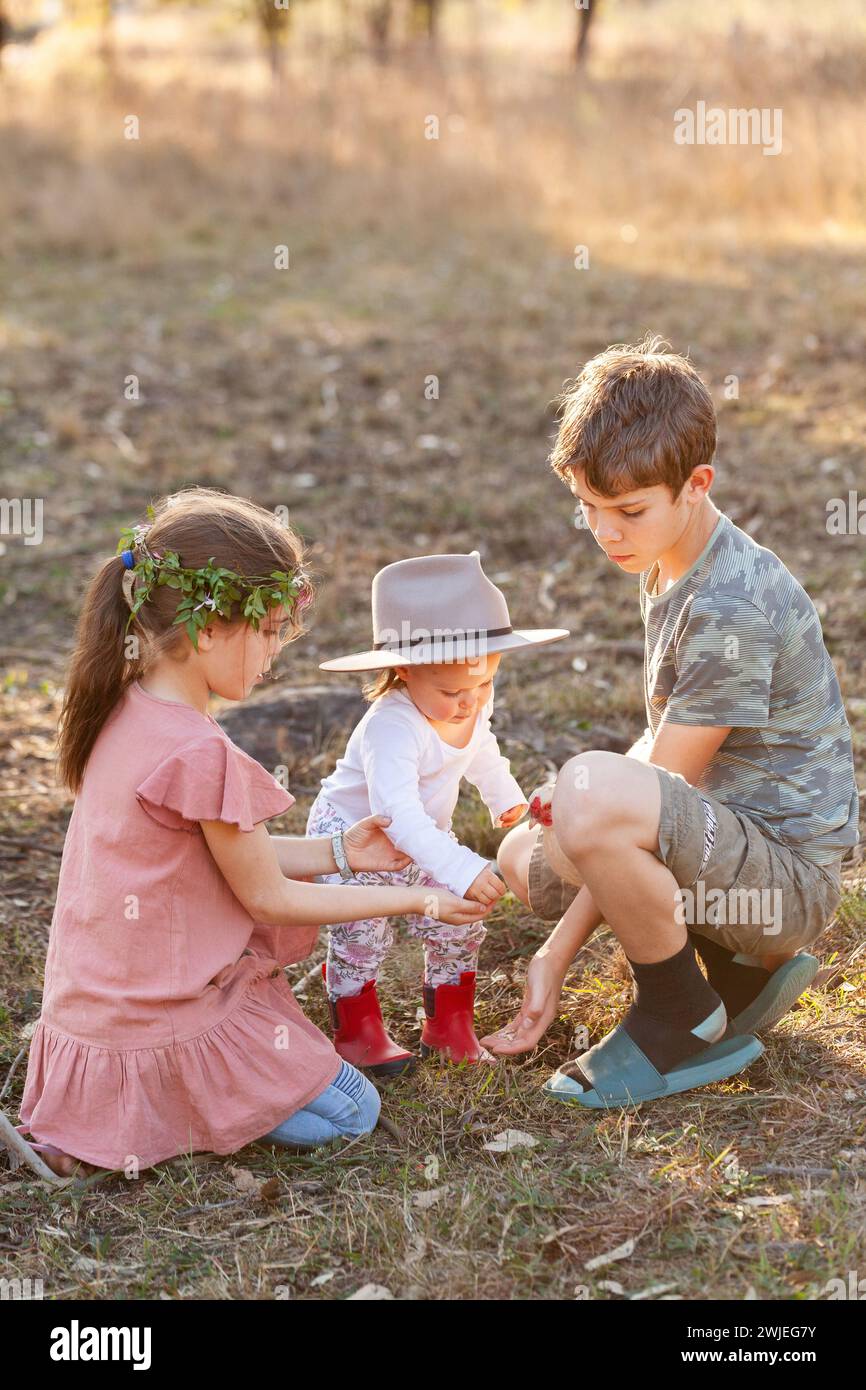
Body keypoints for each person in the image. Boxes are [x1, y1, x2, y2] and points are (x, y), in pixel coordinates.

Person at [16, 488, 487, 1178]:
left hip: (93, 1015)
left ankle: (110, 1113)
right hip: (158, 1019)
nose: (275, 650)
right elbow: (271, 900)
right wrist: (419, 901)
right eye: (268, 629)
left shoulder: (123, 710)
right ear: (209, 630)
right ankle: (165, 1110)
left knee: (303, 1061)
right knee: (353, 1111)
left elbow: (222, 858)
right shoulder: (201, 754)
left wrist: (339, 852)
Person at [483, 336, 859, 1109]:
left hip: (787, 884)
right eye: (587, 508)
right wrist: (583, 809)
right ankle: (731, 964)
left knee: (584, 796)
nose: (606, 533)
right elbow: (658, 761)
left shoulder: (728, 603)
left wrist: (555, 956)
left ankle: (678, 1015)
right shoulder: (669, 556)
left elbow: (658, 784)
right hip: (731, 848)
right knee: (528, 852)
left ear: (697, 484)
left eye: (628, 511)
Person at [308, 551, 568, 1073]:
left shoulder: (467, 702)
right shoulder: (392, 727)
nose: (470, 703)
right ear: (403, 671)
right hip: (360, 838)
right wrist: (461, 865)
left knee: (460, 914)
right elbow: (396, 813)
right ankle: (355, 1029)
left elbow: (482, 746)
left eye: (484, 684)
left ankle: (448, 1026)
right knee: (363, 925)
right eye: (452, 691)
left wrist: (504, 796)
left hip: (422, 834)